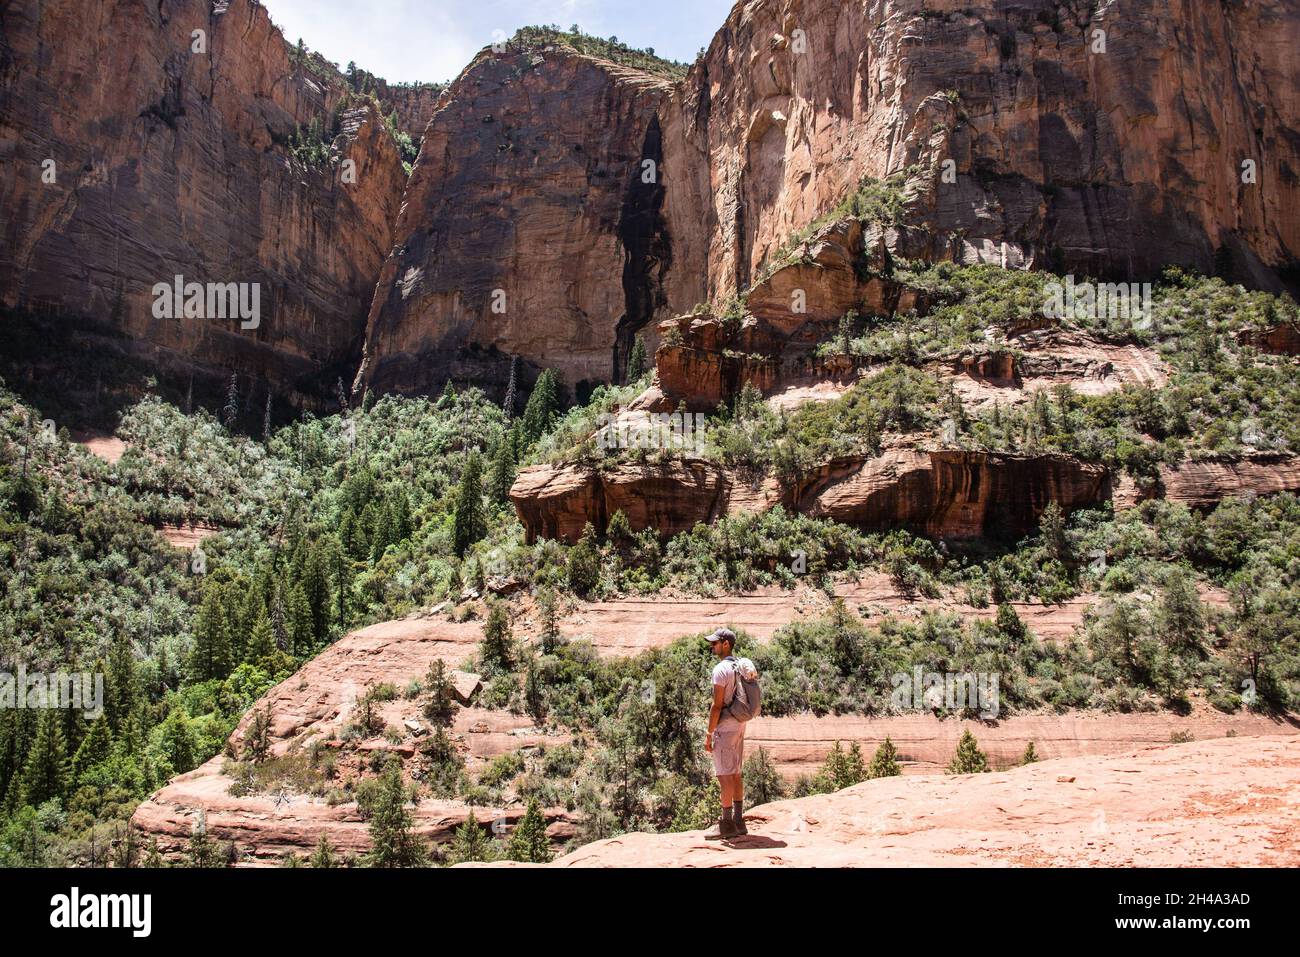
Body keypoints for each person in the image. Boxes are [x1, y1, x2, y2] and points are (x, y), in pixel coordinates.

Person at [704, 627, 747, 838]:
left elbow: (716, 706)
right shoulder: (739, 666)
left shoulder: (721, 669)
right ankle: (739, 821)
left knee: (725, 776)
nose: (712, 646)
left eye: (715, 643)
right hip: (739, 724)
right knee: (736, 772)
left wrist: (709, 733)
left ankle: (727, 825)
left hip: (725, 727)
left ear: (726, 644)